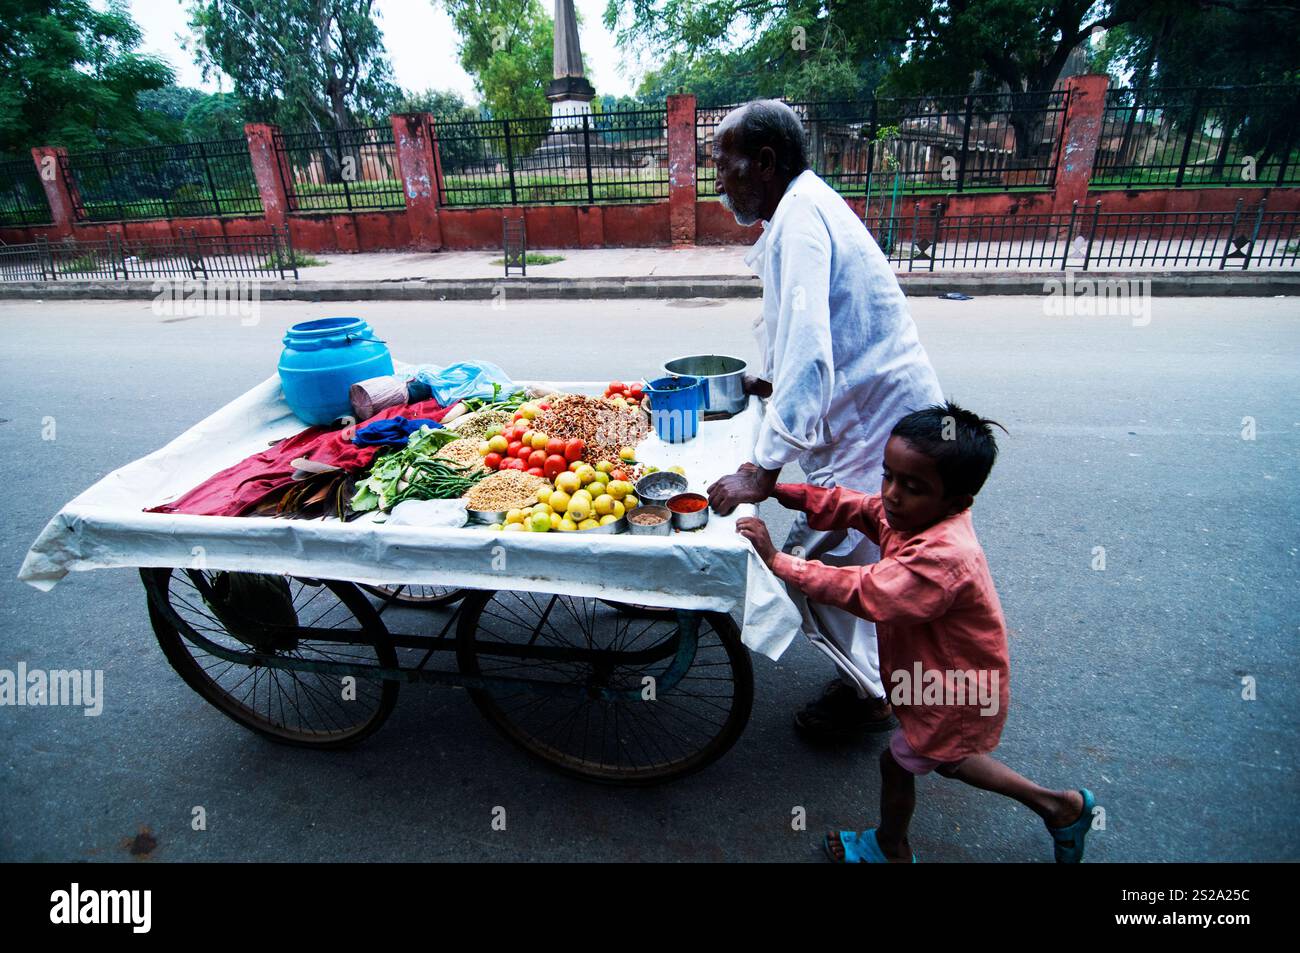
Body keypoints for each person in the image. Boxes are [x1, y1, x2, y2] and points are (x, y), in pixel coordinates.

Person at [735, 403, 1097, 862]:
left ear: (957, 500)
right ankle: (1060, 806)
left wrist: (779, 560)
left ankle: (890, 847)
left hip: (952, 691)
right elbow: (859, 507)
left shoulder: (942, 556)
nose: (891, 494)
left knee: (901, 760)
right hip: (932, 682)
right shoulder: (912, 515)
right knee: (948, 760)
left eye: (912, 486)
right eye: (889, 476)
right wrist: (784, 492)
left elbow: (866, 590)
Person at [705, 99, 944, 739]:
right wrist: (765, 383)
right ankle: (879, 677)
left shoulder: (802, 220)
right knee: (858, 563)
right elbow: (812, 340)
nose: (718, 181)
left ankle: (874, 696)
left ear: (764, 162)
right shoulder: (799, 208)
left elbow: (813, 352)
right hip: (878, 422)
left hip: (879, 432)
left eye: (723, 166)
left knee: (824, 572)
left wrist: (762, 468)